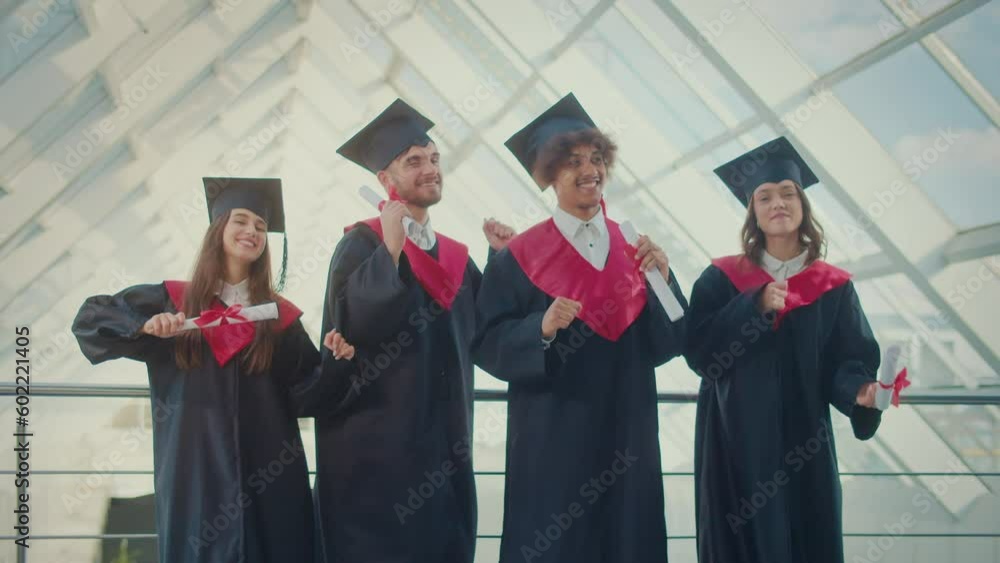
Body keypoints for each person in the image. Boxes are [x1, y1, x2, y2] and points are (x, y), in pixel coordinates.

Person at [294, 99, 515, 563]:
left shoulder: (454, 256)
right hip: (374, 454)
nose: (430, 169)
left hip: (443, 450)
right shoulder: (360, 244)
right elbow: (350, 330)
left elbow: (485, 336)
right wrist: (391, 252)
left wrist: (500, 260)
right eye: (413, 161)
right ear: (385, 180)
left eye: (434, 159)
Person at [471, 93, 688, 563]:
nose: (589, 170)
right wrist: (540, 329)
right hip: (552, 439)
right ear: (550, 175)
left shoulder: (634, 247)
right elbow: (485, 342)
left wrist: (664, 282)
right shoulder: (518, 258)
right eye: (572, 162)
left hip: (628, 433)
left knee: (628, 538)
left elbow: (671, 339)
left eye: (595, 158)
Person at [72, 178, 331, 563]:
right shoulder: (172, 300)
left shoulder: (280, 318)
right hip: (193, 470)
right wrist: (144, 326)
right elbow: (92, 318)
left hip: (271, 473)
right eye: (240, 221)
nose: (252, 232)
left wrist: (336, 359)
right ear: (218, 229)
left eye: (261, 227)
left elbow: (310, 390)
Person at [686, 136, 881, 563]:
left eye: (788, 193)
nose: (778, 203)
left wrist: (861, 392)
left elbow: (847, 360)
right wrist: (752, 306)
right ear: (753, 212)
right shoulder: (722, 277)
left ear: (803, 205)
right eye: (765, 196)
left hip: (804, 440)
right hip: (733, 439)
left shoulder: (833, 286)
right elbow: (699, 351)